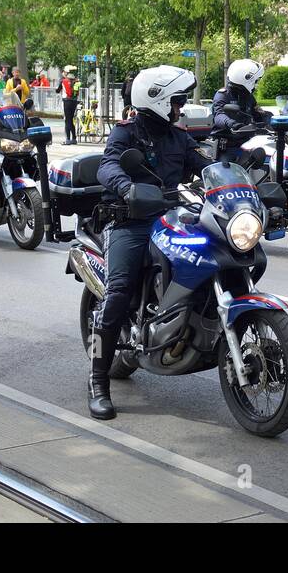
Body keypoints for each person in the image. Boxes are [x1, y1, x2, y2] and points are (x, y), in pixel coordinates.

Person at [88, 66, 210, 419]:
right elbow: (107, 167)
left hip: (170, 219)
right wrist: (127, 189)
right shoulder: (125, 133)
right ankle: (98, 381)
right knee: (118, 294)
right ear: (156, 100)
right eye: (177, 100)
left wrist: (236, 171)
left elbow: (203, 163)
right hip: (131, 222)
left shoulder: (178, 136)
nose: (181, 107)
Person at [211, 59, 271, 163]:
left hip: (247, 143)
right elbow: (219, 116)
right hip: (227, 147)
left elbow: (258, 114)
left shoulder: (248, 97)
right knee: (226, 175)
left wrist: (271, 119)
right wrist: (232, 124)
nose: (256, 84)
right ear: (246, 79)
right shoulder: (223, 95)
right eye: (255, 81)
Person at [60, 65, 80, 145]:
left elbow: (57, 90)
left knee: (67, 120)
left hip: (66, 101)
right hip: (74, 102)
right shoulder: (76, 81)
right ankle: (74, 138)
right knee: (71, 119)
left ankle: (68, 139)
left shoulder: (63, 81)